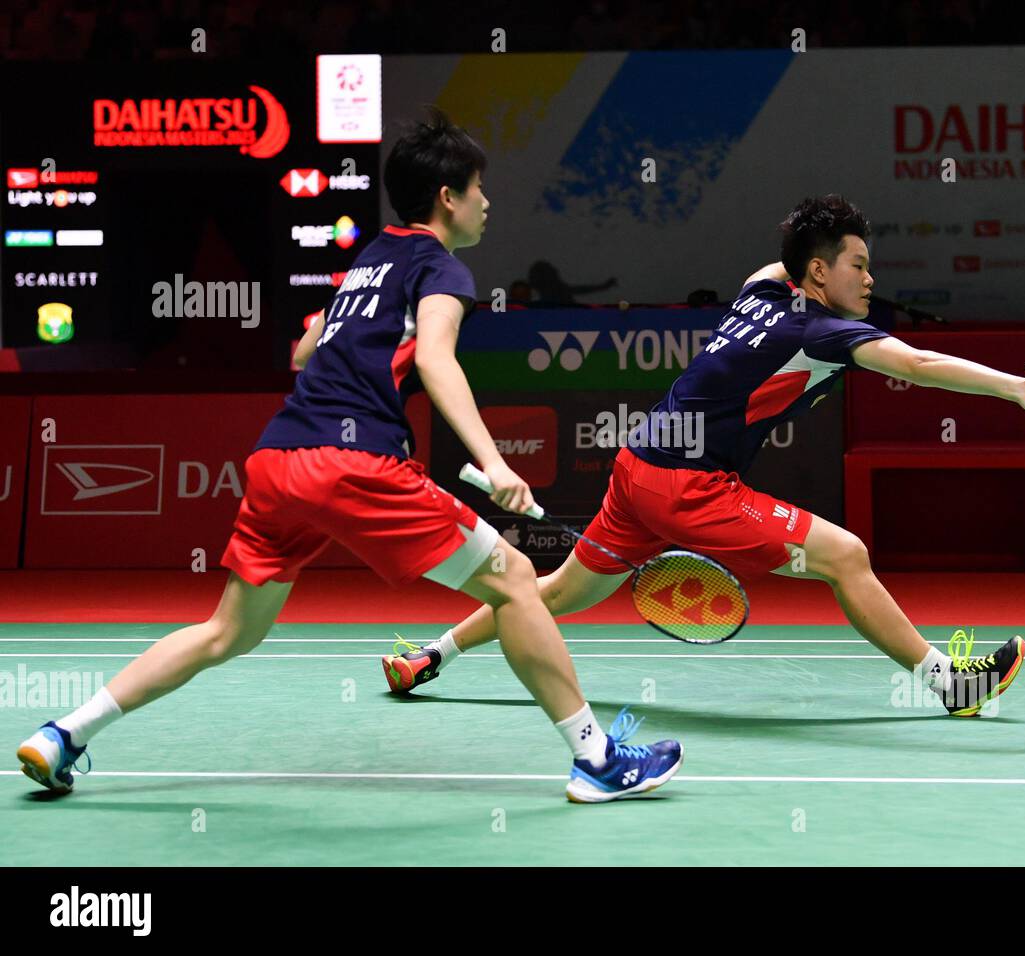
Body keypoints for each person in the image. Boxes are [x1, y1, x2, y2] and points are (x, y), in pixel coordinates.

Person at [16, 109, 682, 805]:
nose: (488, 202)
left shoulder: (371, 257)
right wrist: (496, 461)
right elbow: (434, 358)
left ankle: (66, 732)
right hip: (352, 459)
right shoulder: (441, 266)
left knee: (225, 633)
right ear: (448, 197)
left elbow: (305, 352)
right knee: (516, 578)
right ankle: (596, 759)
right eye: (479, 187)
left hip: (277, 459)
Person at [384, 195, 1025, 717]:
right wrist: (1015, 390)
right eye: (858, 263)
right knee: (846, 556)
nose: (870, 276)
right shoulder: (823, 329)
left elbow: (780, 263)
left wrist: (810, 240)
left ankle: (429, 656)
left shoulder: (762, 292)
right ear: (821, 272)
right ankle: (947, 686)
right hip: (689, 486)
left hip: (636, 469)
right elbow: (914, 362)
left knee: (558, 589)